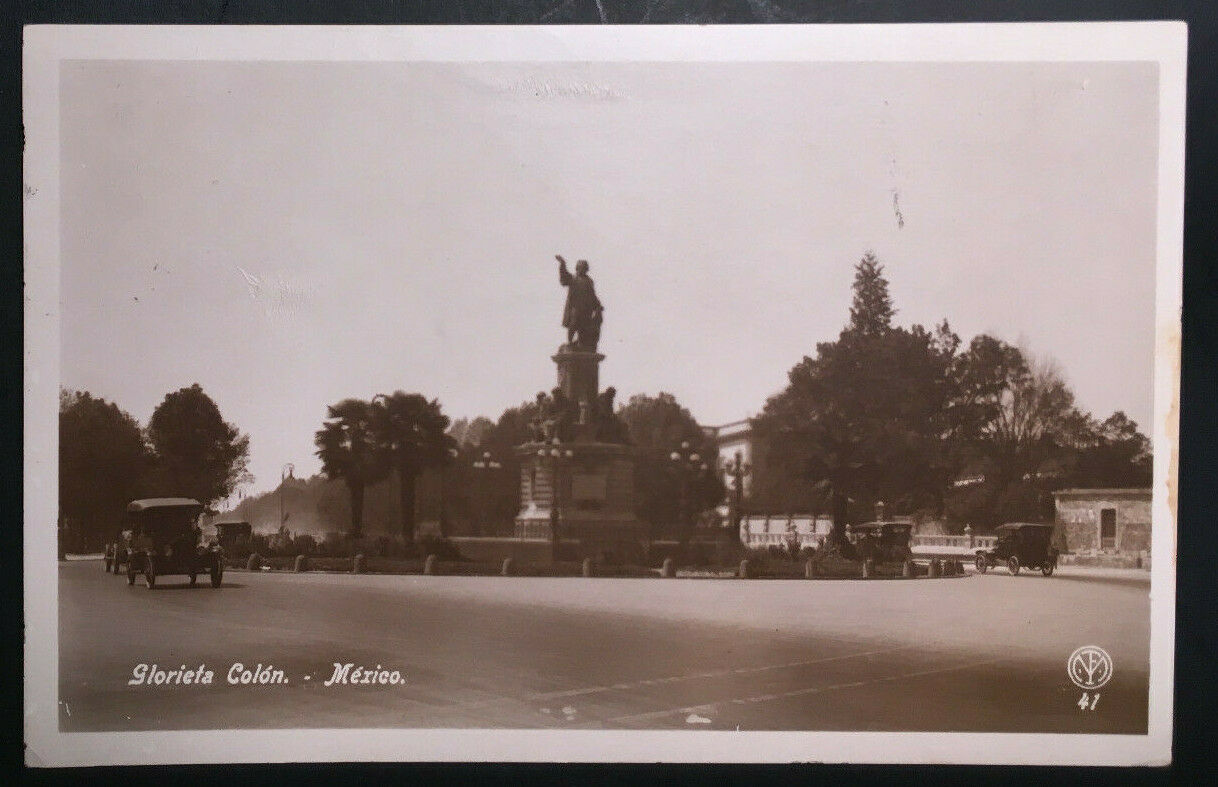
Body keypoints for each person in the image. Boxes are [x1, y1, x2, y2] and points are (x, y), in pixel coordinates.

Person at [556, 254, 604, 350]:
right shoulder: (573, 279)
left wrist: (598, 305)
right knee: (573, 325)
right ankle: (570, 342)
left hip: (586, 309)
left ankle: (581, 343)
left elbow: (592, 295)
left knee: (584, 327)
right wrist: (562, 264)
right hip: (575, 308)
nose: (582, 269)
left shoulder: (589, 281)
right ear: (577, 268)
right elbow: (564, 277)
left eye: (584, 267)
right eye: (580, 267)